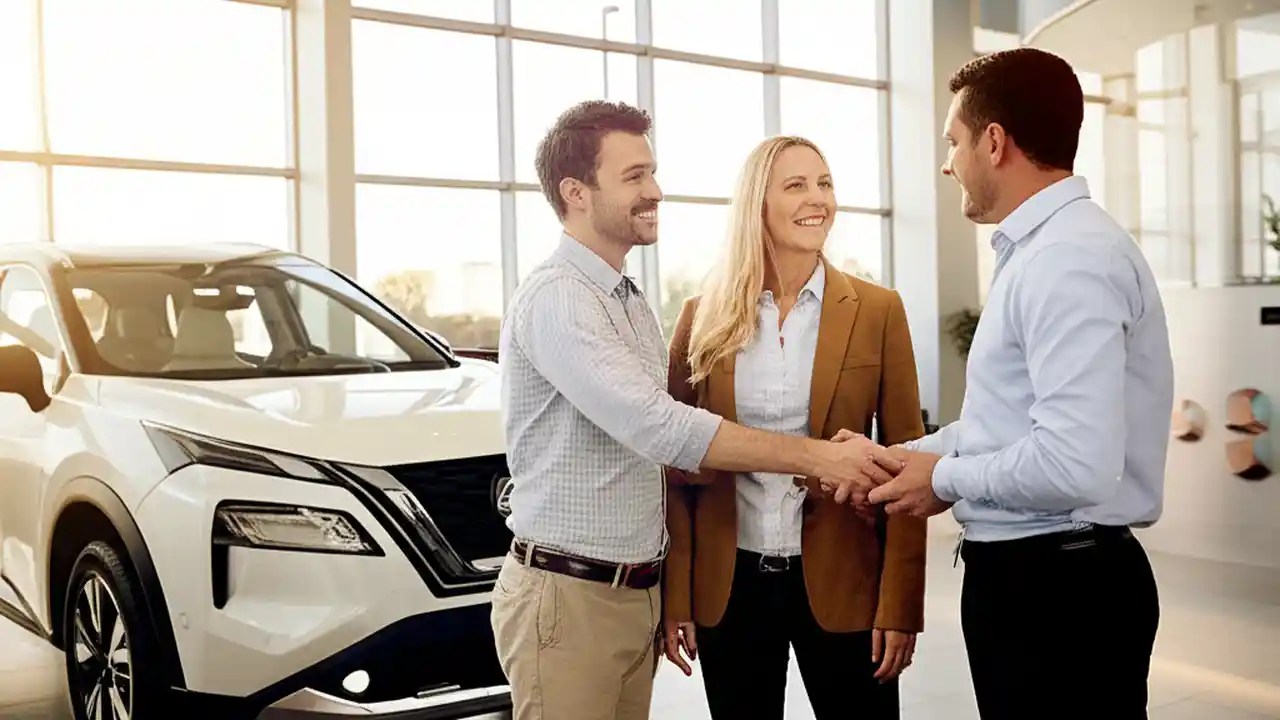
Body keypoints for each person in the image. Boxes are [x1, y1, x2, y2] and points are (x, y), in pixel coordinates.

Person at [492, 100, 889, 720]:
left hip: (631, 594)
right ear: (575, 193)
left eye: (652, 172)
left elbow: (665, 464)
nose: (655, 191)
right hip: (571, 599)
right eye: (634, 176)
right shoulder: (559, 298)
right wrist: (817, 458)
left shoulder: (627, 301)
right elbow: (660, 426)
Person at [862, 48, 1173, 719]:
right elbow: (1005, 427)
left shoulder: (1067, 259)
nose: (948, 163)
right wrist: (902, 460)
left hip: (1058, 591)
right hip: (1045, 580)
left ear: (995, 142)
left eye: (954, 142)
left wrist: (943, 478)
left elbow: (1073, 463)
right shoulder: (1044, 250)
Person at [660, 136, 927, 720]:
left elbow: (907, 460)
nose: (818, 199)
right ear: (758, 204)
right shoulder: (701, 318)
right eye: (797, 185)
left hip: (846, 582)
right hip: (730, 588)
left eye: (825, 183)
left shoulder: (879, 311)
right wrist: (676, 596)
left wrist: (900, 605)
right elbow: (673, 469)